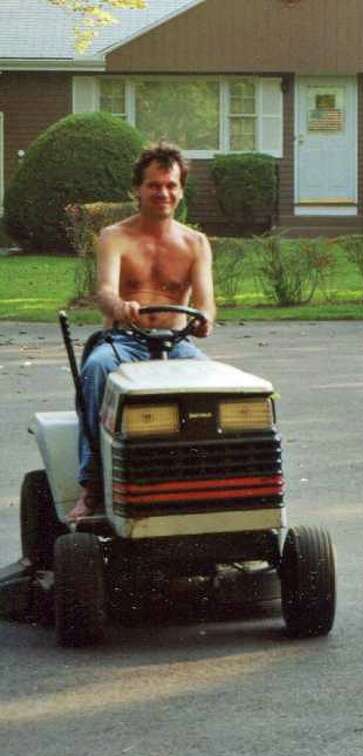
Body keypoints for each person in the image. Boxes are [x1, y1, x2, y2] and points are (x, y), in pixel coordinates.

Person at [69, 142, 216, 519]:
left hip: (177, 343)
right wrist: (121, 306)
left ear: (181, 190)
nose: (163, 193)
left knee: (218, 387)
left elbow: (206, 303)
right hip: (123, 341)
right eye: (154, 185)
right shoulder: (114, 236)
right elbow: (103, 292)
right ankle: (92, 487)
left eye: (171, 185)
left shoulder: (195, 243)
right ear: (137, 189)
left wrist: (204, 320)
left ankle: (207, 484)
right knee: (96, 370)